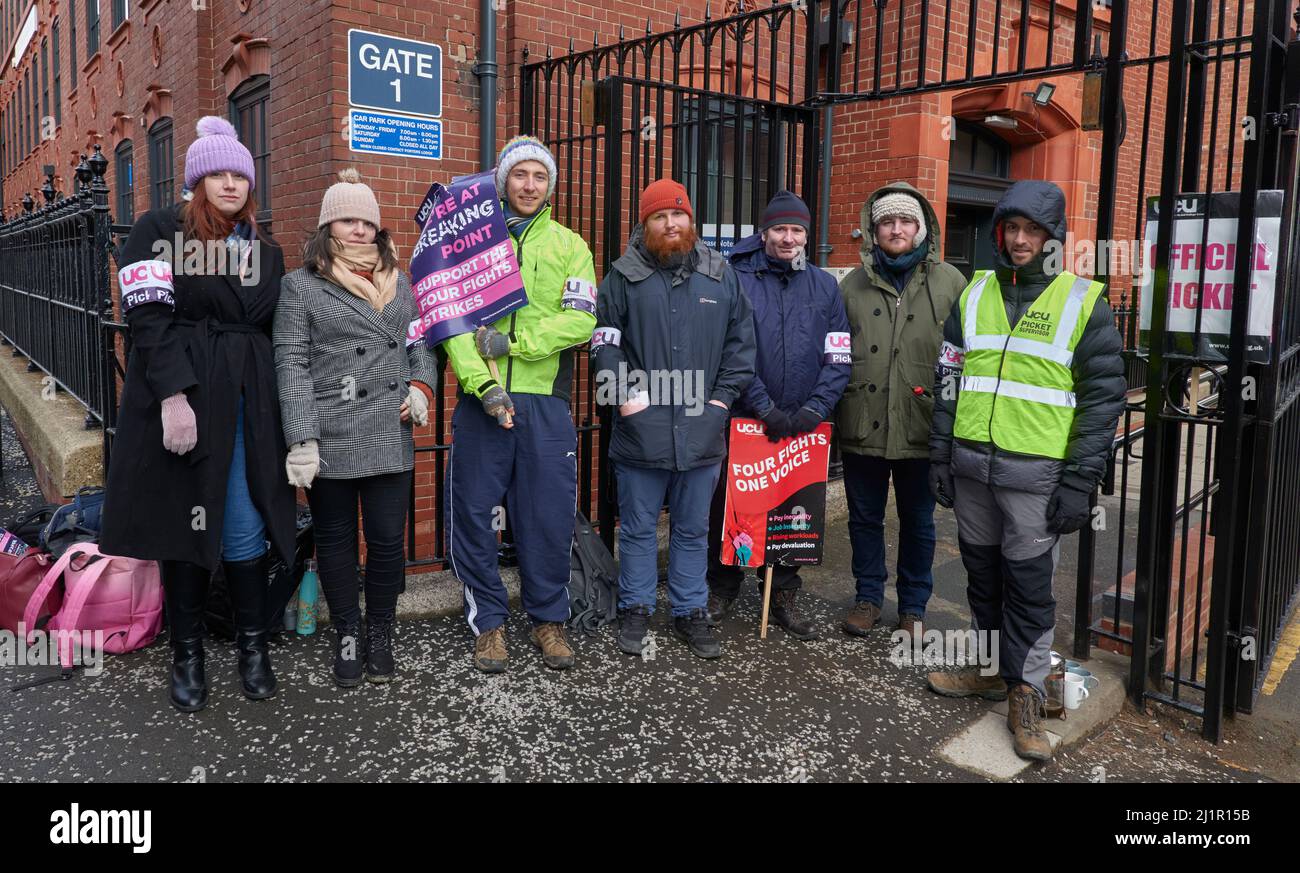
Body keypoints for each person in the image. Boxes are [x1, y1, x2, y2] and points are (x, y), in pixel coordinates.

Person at [100, 116, 295, 713]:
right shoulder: (158, 230)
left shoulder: (266, 249)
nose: (231, 184)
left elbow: (273, 328)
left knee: (242, 523)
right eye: (218, 173)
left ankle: (252, 648)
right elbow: (148, 322)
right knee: (184, 529)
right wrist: (174, 398)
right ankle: (186, 655)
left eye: (240, 174)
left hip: (247, 401)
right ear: (195, 179)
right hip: (185, 398)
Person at [926, 180, 1125, 761]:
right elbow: (949, 379)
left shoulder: (1083, 301)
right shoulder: (974, 293)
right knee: (982, 580)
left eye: (1031, 231)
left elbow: (1101, 402)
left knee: (1031, 591)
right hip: (971, 471)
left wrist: (1079, 482)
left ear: (1052, 237)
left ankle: (1029, 691)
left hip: (1035, 478)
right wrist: (941, 455)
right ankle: (992, 669)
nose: (1018, 240)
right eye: (1010, 229)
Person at [273, 168, 437, 686]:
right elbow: (291, 363)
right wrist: (301, 437)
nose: (359, 230)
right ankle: (347, 631)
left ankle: (381, 630)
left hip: (390, 426)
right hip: (331, 432)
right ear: (328, 227)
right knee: (336, 540)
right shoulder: (299, 287)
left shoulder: (400, 280)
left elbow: (419, 343)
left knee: (388, 541)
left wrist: (421, 387)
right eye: (347, 220)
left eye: (366, 221)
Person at [442, 136, 597, 673]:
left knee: (547, 516)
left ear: (549, 185)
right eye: (519, 175)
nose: (529, 186)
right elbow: (450, 318)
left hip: (544, 404)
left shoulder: (570, 244)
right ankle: (488, 624)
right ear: (502, 181)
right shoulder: (471, 241)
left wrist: (516, 344)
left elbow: (581, 319)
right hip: (481, 400)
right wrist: (483, 384)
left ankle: (549, 620)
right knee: (476, 518)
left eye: (538, 176)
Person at [593, 178, 756, 659]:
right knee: (640, 528)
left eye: (678, 215)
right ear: (644, 226)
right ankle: (637, 607)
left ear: (691, 220)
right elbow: (604, 344)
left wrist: (722, 403)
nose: (670, 224)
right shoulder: (622, 277)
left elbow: (741, 347)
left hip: (703, 429)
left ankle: (690, 611)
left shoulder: (720, 274)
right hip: (641, 430)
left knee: (691, 529)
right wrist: (625, 399)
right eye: (659, 217)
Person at [705, 190, 849, 639]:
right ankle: (724, 586)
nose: (789, 239)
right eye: (781, 229)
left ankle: (783, 592)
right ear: (765, 231)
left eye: (798, 231)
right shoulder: (737, 279)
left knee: (794, 509)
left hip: (804, 424)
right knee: (731, 506)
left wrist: (815, 409)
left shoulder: (825, 286)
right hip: (749, 418)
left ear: (807, 236)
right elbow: (730, 349)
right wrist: (764, 407)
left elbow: (839, 354)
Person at [836, 183, 966, 641]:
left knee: (919, 521)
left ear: (921, 228)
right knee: (864, 518)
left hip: (922, 421)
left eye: (905, 221)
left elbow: (965, 355)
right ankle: (868, 598)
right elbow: (833, 351)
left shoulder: (951, 282)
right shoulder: (851, 283)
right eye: (887, 221)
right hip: (862, 419)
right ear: (874, 229)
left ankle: (913, 606)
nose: (896, 229)